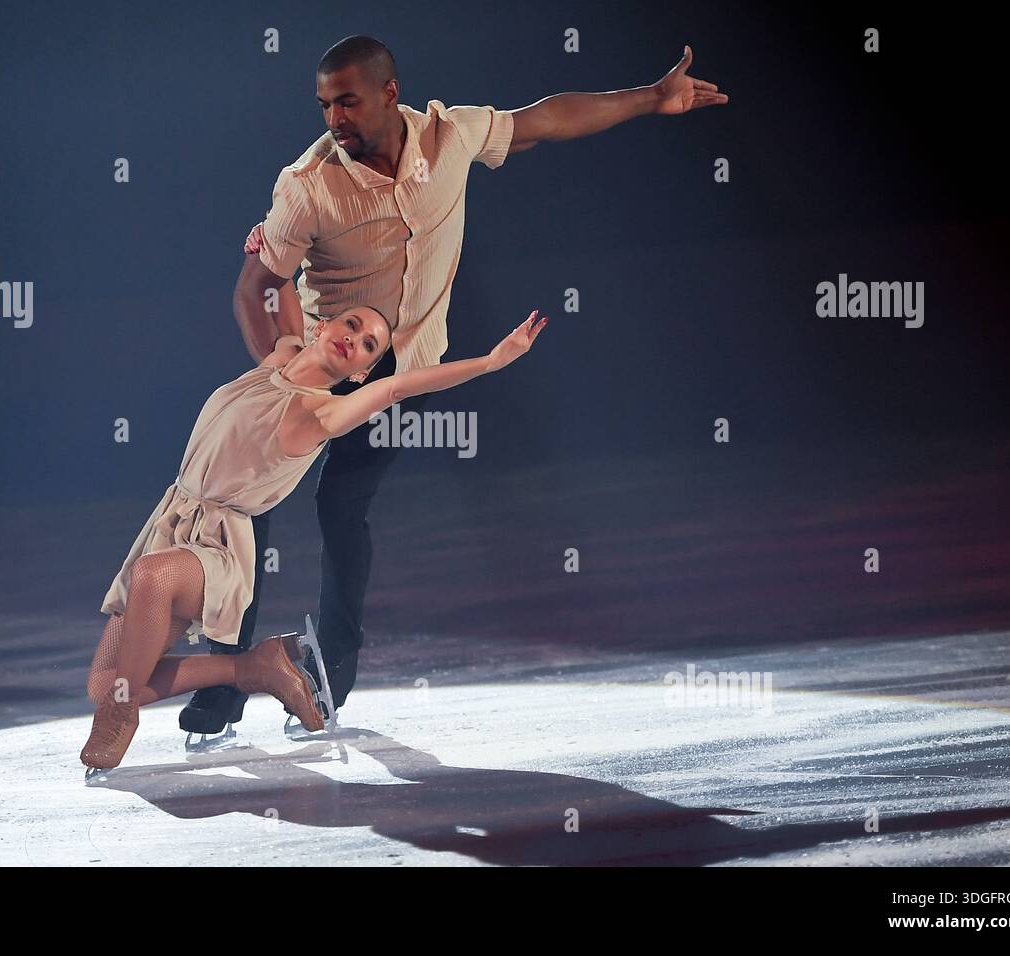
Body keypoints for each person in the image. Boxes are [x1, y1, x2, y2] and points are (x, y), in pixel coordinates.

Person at [181, 34, 728, 738]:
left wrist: (651, 98)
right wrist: (279, 373)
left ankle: (327, 675)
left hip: (406, 369)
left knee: (343, 506)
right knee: (248, 504)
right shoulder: (308, 185)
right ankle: (225, 690)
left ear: (388, 93)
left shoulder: (452, 136)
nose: (333, 119)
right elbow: (259, 284)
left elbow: (547, 118)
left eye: (347, 102)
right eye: (323, 106)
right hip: (322, 364)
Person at [81, 306, 549, 770]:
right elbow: (281, 286)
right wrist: (267, 243)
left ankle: (122, 723)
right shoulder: (276, 361)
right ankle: (254, 667)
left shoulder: (321, 413)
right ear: (322, 326)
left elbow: (399, 386)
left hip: (217, 548)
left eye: (369, 345)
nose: (356, 339)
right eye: (351, 325)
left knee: (152, 577)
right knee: (107, 685)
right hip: (170, 523)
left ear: (361, 371)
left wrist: (491, 361)